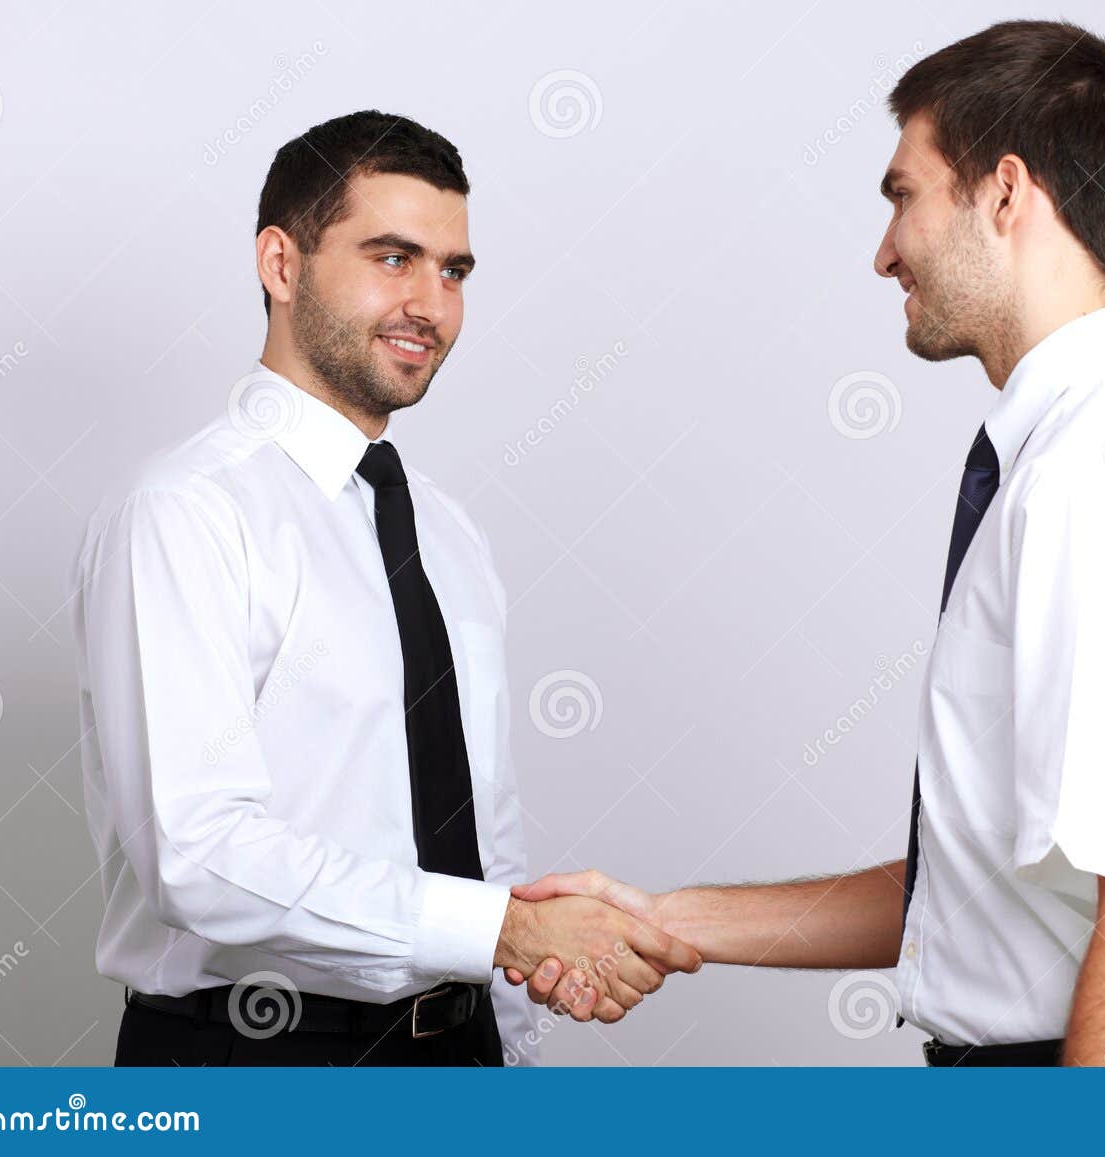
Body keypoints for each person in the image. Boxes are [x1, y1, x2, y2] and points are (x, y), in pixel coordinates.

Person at [508, 20, 1105, 1067]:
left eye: (902, 195)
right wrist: (666, 916)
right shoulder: (1069, 457)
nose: (884, 250)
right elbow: (979, 898)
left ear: (1005, 193)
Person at [69, 111, 699, 1067]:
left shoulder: (444, 530)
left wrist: (512, 1036)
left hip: (458, 1048)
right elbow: (196, 855)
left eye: (454, 271)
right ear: (280, 265)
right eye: (393, 257)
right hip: (260, 1060)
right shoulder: (187, 511)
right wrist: (501, 932)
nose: (431, 305)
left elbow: (485, 830)